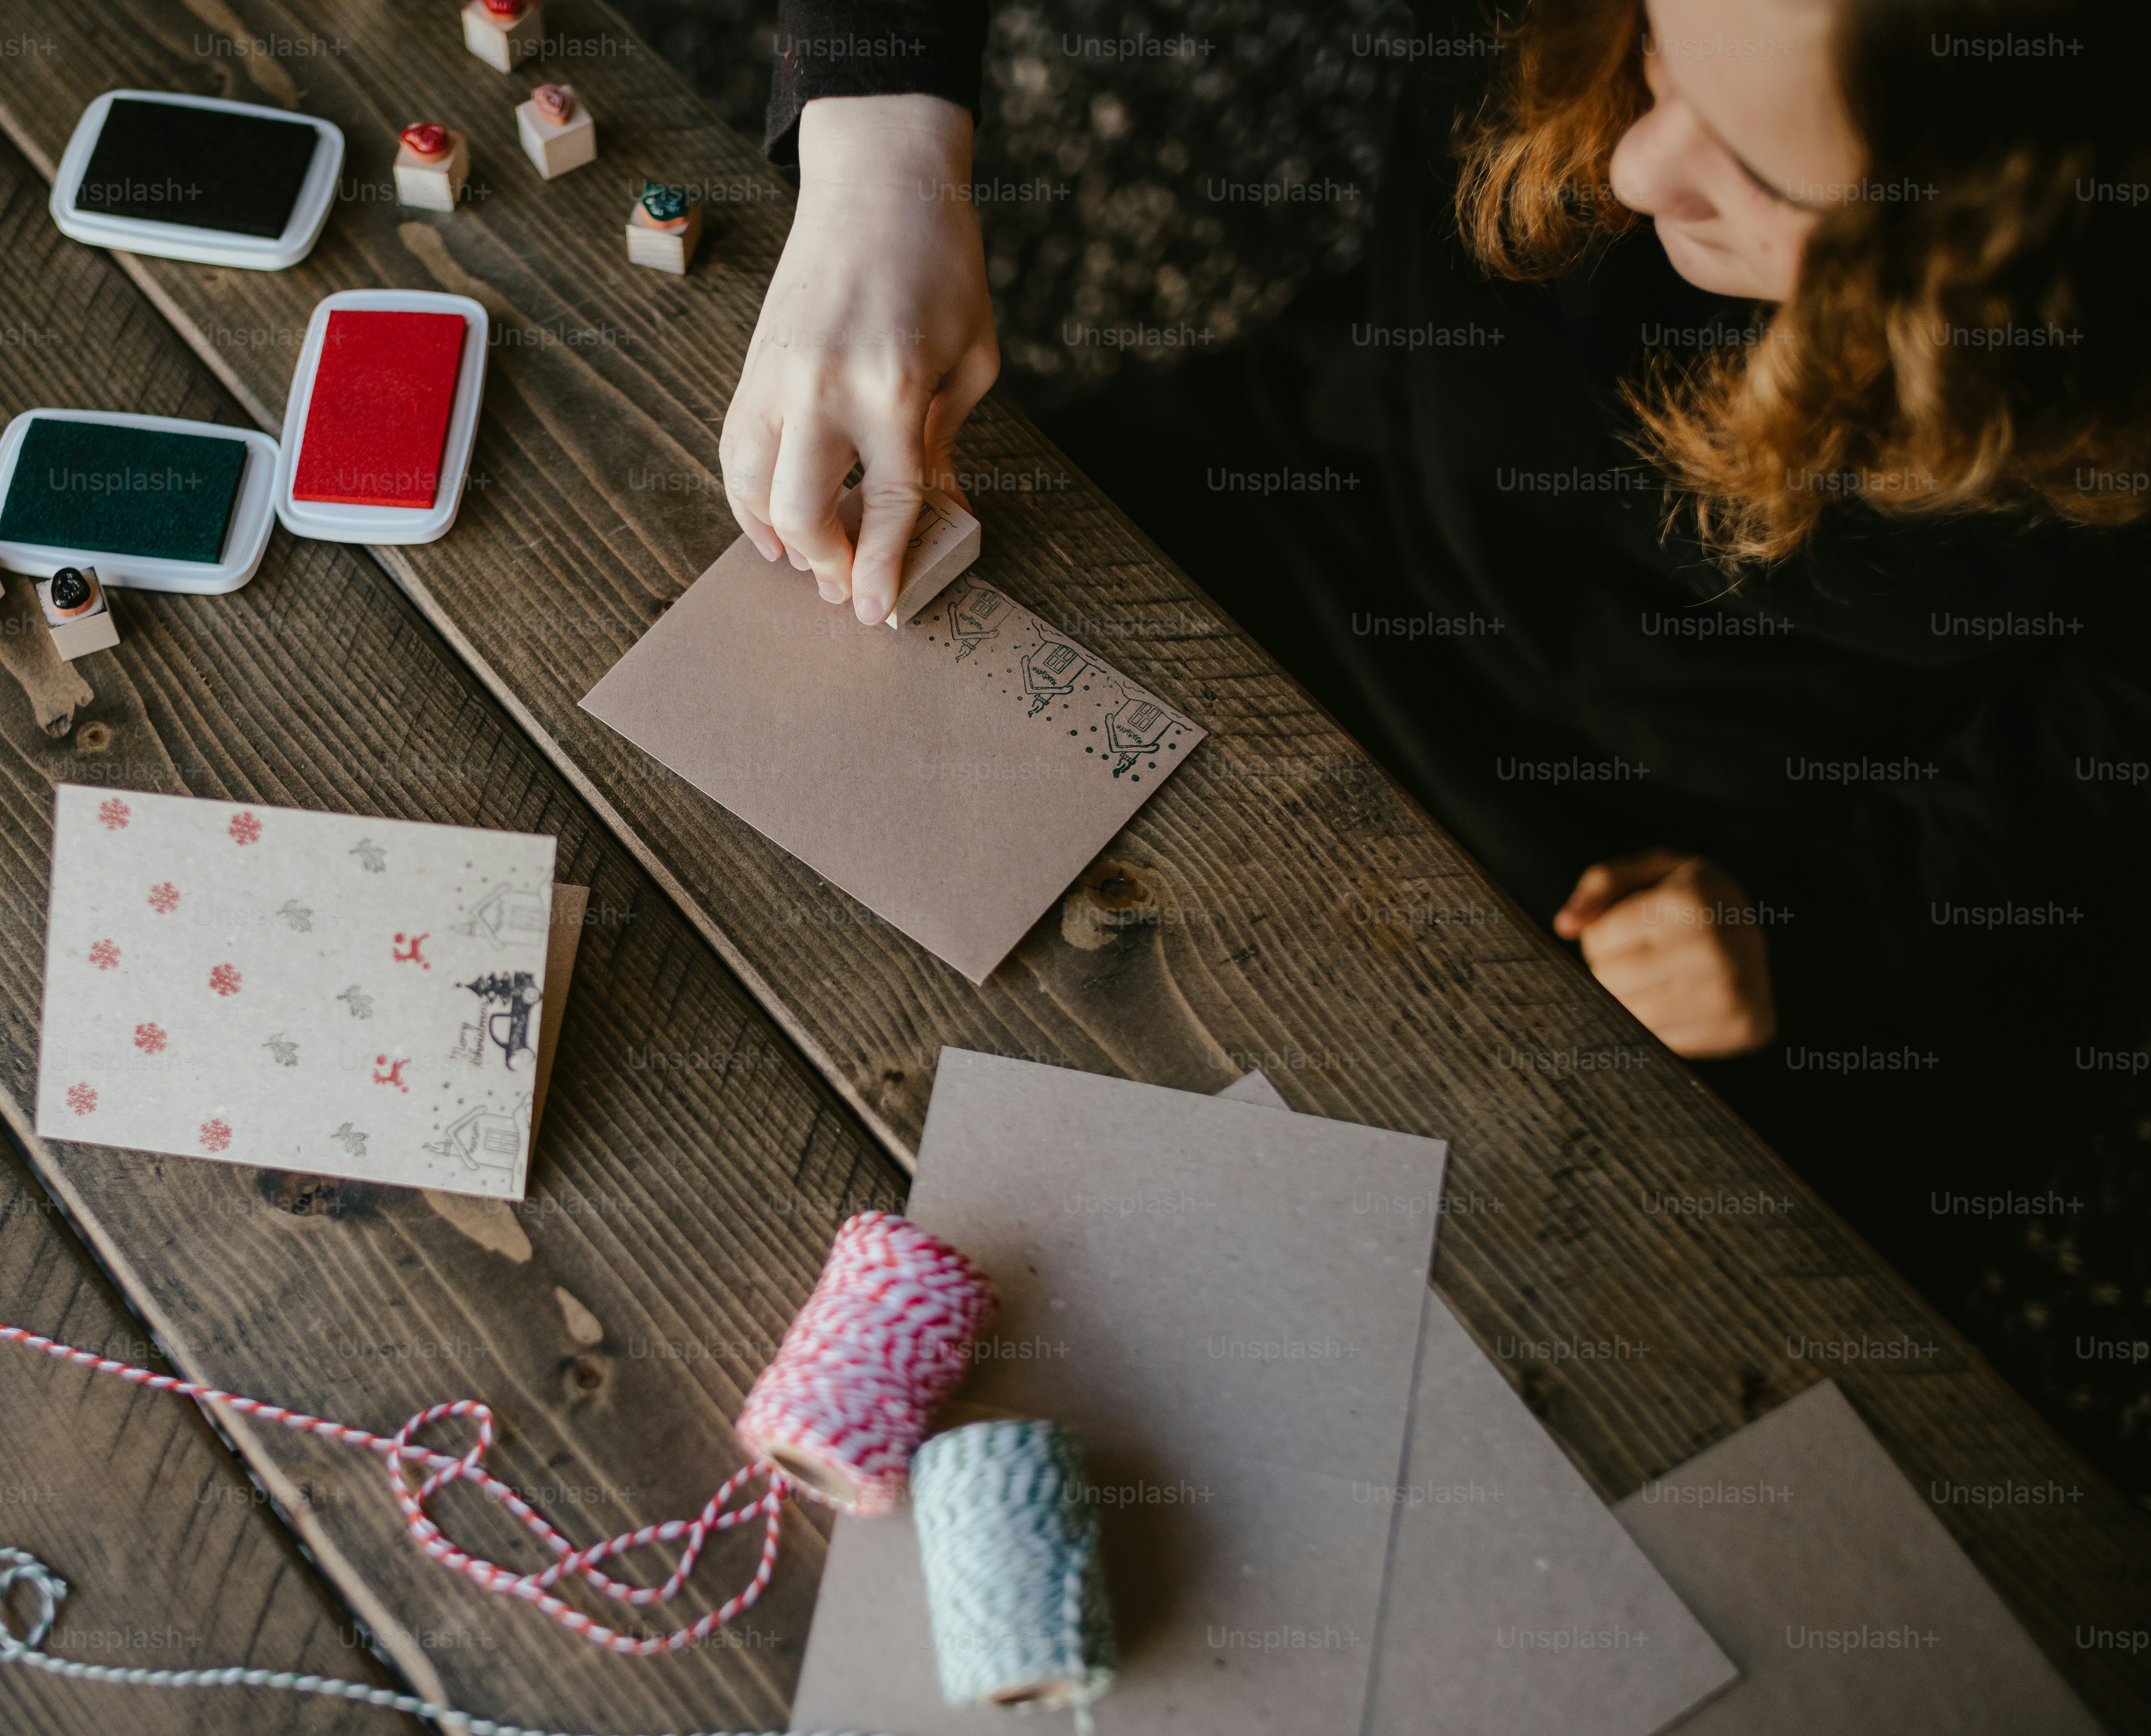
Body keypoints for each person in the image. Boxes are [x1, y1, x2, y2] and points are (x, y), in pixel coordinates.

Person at [723, 0, 2150, 1283]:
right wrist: (882, 160)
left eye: (1768, 177)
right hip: (1338, 491)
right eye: (1651, 40)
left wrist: (1841, 936)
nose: (1642, 168)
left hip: (1714, 837)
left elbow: (2106, 749)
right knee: (789, 788)